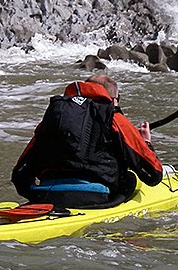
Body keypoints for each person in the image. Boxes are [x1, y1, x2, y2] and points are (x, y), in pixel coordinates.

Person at [11, 74, 163, 208]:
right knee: (130, 178)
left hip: (45, 195)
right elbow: (153, 174)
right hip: (92, 198)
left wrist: (36, 196)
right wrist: (146, 143)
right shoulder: (115, 118)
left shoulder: (54, 119)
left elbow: (19, 175)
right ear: (114, 99)